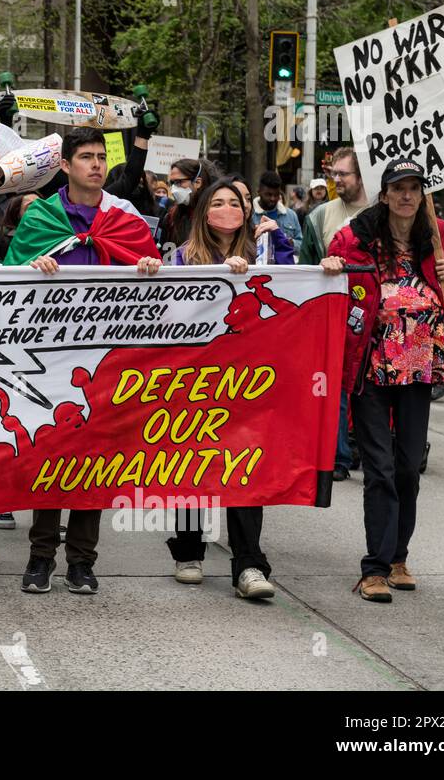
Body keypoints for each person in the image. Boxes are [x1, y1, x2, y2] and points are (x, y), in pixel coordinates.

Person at [136, 178, 336, 598]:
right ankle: (188, 551)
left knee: (247, 468)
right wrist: (151, 271)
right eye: (218, 202)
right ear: (204, 211)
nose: (227, 209)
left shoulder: (264, 251)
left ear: (246, 212)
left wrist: (326, 270)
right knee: (191, 463)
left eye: (235, 203)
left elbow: (299, 284)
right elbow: (161, 308)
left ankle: (249, 564)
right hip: (195, 381)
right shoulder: (181, 257)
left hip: (250, 383)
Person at [3, 126, 160, 596]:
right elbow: (9, 281)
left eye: (100, 157)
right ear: (66, 166)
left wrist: (149, 269)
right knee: (51, 454)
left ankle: (82, 561)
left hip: (108, 361)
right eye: (86, 157)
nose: (96, 164)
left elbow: (157, 283)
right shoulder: (41, 220)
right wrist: (32, 270)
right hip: (52, 360)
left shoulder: (126, 219)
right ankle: (39, 556)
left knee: (96, 460)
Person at [330, 160, 444, 603]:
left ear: (422, 194)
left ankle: (399, 557)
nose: (406, 196)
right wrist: (332, 264)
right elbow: (331, 277)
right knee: (380, 470)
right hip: (372, 366)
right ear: (384, 194)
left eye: (413, 188)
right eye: (397, 188)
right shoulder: (357, 236)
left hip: (421, 366)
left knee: (408, 466)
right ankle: (374, 569)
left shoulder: (437, 233)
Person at [299, 148, 368, 481]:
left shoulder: (383, 212)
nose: (337, 180)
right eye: (334, 174)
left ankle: (374, 451)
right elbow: (307, 266)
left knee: (373, 389)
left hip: (376, 320)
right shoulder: (320, 216)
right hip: (335, 316)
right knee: (337, 386)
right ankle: (339, 457)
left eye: (344, 174)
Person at [160, 157, 217, 252]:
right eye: (172, 183)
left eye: (179, 182)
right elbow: (167, 256)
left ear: (198, 182)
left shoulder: (214, 214)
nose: (174, 188)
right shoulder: (171, 217)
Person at [252, 170, 304, 253]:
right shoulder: (250, 214)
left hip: (285, 264)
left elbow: (302, 245)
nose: (272, 198)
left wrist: (291, 243)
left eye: (276, 195)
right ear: (259, 192)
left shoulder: (291, 215)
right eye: (268, 194)